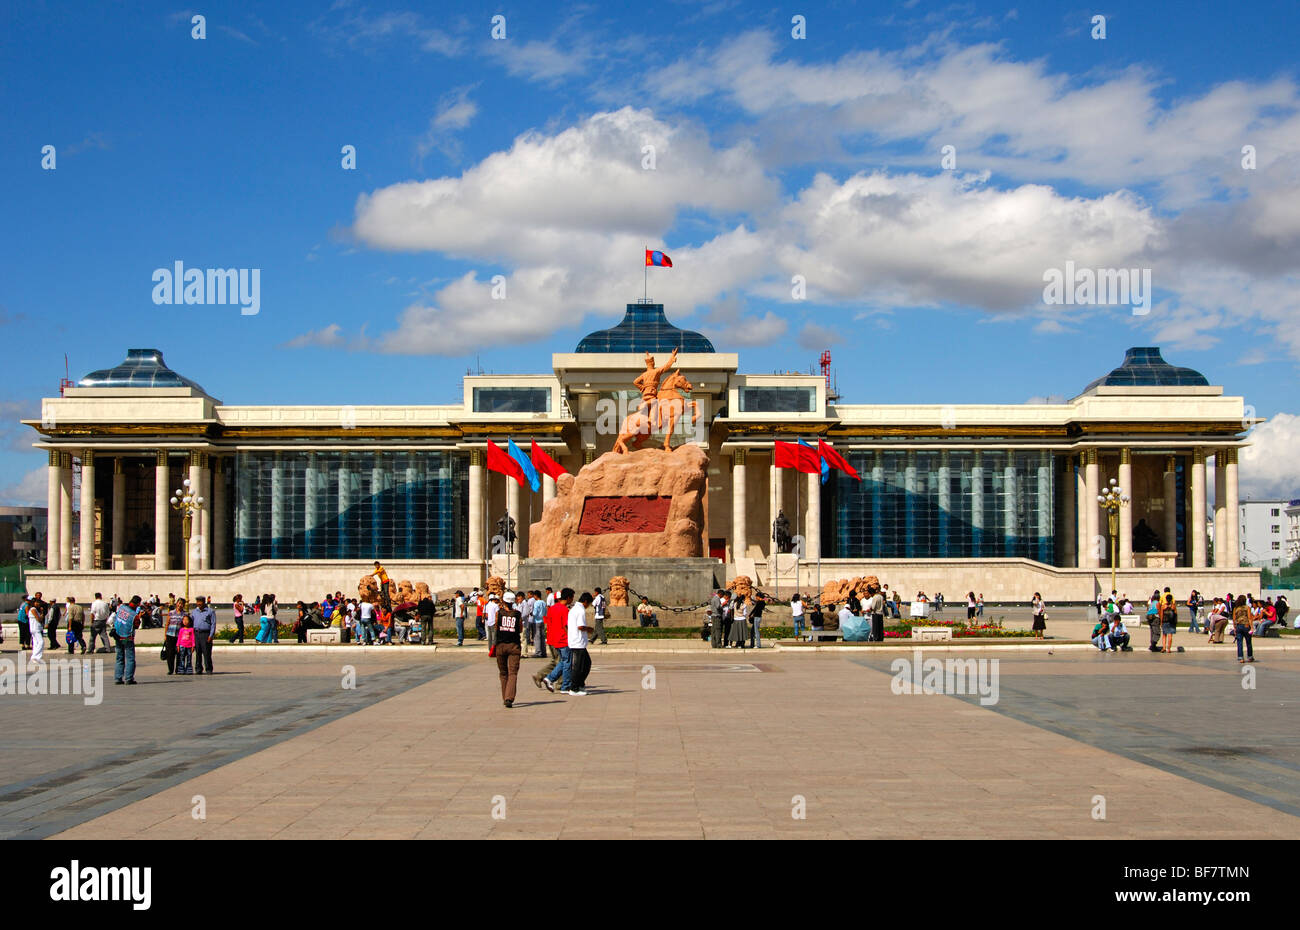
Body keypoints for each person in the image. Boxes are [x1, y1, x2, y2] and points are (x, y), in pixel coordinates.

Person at [538, 588, 574, 693]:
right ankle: (565, 686)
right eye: (572, 598)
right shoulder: (564, 609)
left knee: (563, 661)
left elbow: (548, 622)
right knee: (567, 662)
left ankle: (549, 678)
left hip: (554, 639)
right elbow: (566, 626)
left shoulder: (552, 608)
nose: (572, 600)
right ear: (568, 598)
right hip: (563, 639)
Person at [494, 591, 524, 707]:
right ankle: (509, 697)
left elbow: (496, 626)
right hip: (514, 646)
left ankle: (505, 696)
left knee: (503, 673)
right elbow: (520, 629)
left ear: (503, 601)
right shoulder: (517, 614)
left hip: (500, 645)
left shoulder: (499, 613)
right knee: (513, 673)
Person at [565, 592, 595, 695]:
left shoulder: (574, 609)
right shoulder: (580, 610)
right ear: (585, 601)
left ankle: (580, 684)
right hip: (578, 642)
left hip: (576, 641)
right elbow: (580, 626)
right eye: (589, 604)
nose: (588, 606)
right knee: (578, 666)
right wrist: (589, 629)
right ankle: (574, 688)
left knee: (586, 663)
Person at [112, 595, 143, 684]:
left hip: (118, 636)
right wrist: (139, 617)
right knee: (130, 658)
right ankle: (129, 678)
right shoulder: (134, 615)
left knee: (119, 658)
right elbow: (136, 626)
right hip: (127, 637)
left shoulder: (121, 608)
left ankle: (118, 678)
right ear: (138, 603)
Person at [162, 597, 185, 674]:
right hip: (170, 635)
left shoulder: (185, 614)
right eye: (179, 603)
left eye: (182, 603)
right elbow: (167, 624)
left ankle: (178, 669)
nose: (180, 605)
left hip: (180, 637)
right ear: (176, 604)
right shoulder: (171, 613)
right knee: (170, 653)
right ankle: (170, 669)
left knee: (179, 653)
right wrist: (165, 635)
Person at [1231, 595, 1255, 664]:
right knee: (1248, 642)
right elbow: (1250, 618)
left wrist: (1235, 628)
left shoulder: (1236, 608)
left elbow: (1234, 619)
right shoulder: (1247, 608)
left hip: (1238, 626)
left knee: (1239, 642)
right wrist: (1252, 627)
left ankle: (1241, 658)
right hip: (1246, 625)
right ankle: (1250, 656)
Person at [27, 599, 46, 665]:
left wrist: (41, 613)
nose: (38, 604)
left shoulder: (35, 610)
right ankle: (36, 657)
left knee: (36, 643)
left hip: (35, 628)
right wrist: (41, 614)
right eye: (36, 602)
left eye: (39, 603)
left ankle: (35, 657)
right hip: (35, 628)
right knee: (41, 642)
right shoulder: (33, 609)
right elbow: (39, 619)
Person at [1160, 587, 1178, 653]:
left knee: (1164, 635)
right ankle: (1169, 649)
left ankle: (1164, 647)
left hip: (1165, 621)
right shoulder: (1173, 606)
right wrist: (1176, 621)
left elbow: (1161, 615)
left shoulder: (1163, 606)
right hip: (1172, 622)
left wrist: (1161, 622)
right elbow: (1176, 613)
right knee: (1170, 635)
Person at [532, 591, 548, 657]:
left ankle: (538, 652)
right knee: (542, 636)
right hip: (542, 620)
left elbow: (535, 613)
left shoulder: (536, 603)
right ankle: (543, 652)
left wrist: (532, 614)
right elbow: (545, 612)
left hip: (536, 621)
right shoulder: (544, 602)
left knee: (537, 637)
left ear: (536, 596)